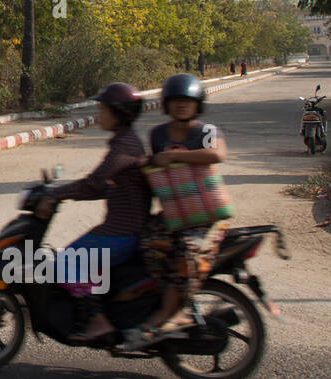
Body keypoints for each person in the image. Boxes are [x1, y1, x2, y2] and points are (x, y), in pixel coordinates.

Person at [34, 82, 149, 345]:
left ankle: (97, 320)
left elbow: (95, 183)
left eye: (103, 109)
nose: (99, 114)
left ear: (118, 112)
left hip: (122, 232)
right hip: (123, 228)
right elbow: (105, 186)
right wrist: (63, 191)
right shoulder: (125, 142)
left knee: (65, 263)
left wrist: (55, 194)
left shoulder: (125, 146)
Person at [127, 73, 229, 347]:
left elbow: (217, 155)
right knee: (147, 242)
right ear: (166, 104)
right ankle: (162, 302)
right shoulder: (157, 134)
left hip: (209, 215)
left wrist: (173, 155)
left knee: (188, 252)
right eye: (176, 101)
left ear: (198, 104)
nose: (182, 106)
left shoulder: (207, 131)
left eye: (188, 101)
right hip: (175, 214)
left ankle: (173, 312)